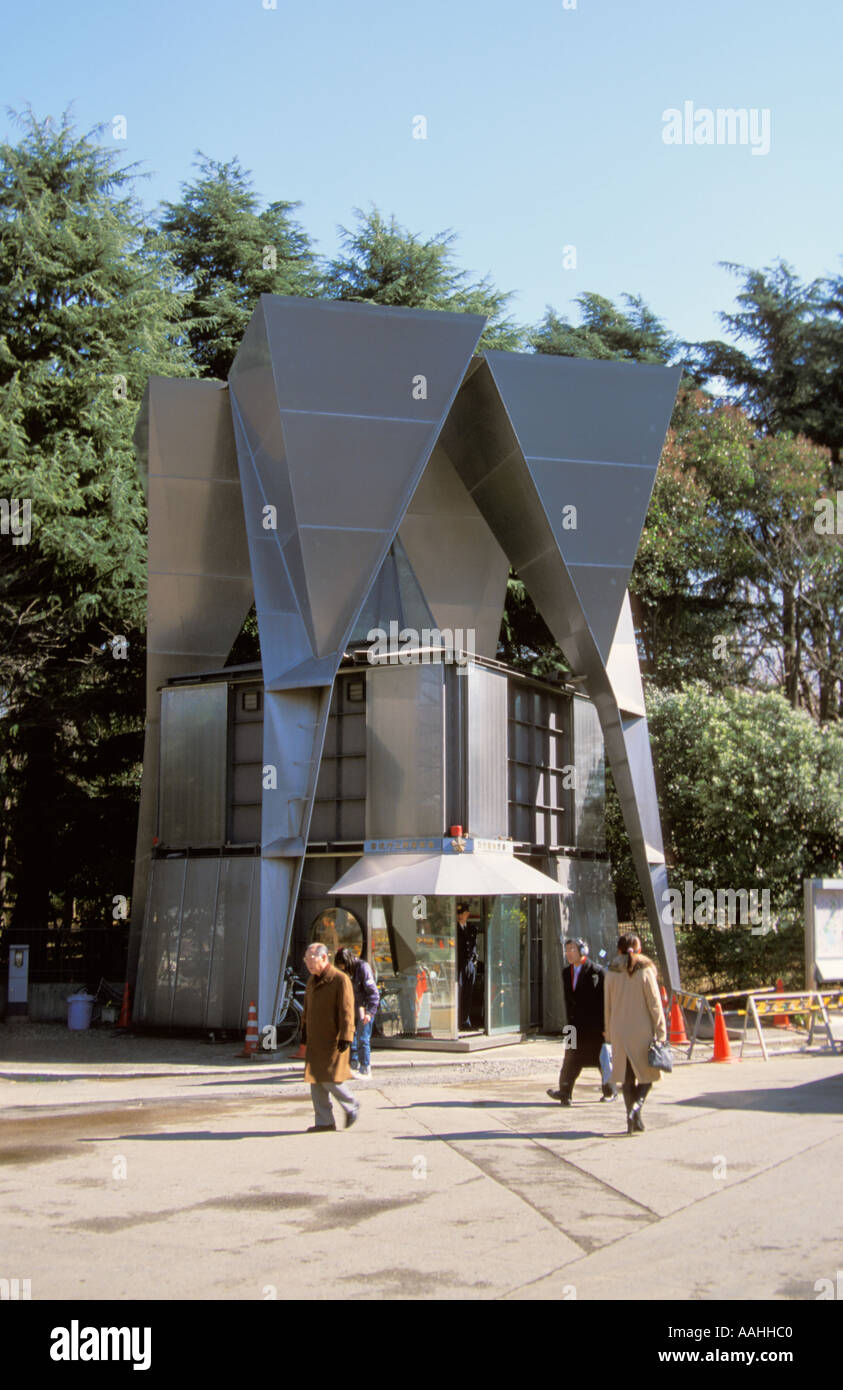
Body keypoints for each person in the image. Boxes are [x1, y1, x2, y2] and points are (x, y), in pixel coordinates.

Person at [604, 932, 667, 1134]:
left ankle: (631, 1118)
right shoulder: (646, 971)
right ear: (639, 949)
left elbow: (607, 1006)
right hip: (642, 1031)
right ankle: (637, 1108)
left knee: (627, 1078)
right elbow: (655, 1004)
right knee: (648, 1076)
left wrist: (608, 1031)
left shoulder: (611, 972)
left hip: (619, 1030)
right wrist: (661, 1031)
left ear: (619, 950)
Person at [547, 938, 616, 1106]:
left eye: (572, 949)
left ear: (582, 951)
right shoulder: (566, 973)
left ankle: (610, 1091)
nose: (569, 953)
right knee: (570, 1058)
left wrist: (607, 1027)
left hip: (594, 1025)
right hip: (572, 1025)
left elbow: (607, 1001)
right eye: (567, 949)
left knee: (602, 1060)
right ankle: (565, 1092)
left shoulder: (597, 972)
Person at [301, 942, 359, 1131]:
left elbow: (347, 1010)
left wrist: (346, 1036)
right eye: (306, 960)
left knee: (328, 1078)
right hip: (315, 1039)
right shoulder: (312, 980)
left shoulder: (340, 979)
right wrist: (303, 1032)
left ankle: (351, 1104)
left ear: (324, 958)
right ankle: (324, 1121)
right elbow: (307, 1009)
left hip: (333, 1040)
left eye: (311, 959)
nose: (308, 964)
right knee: (315, 1080)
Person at [335, 946, 380, 1077]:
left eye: (342, 965)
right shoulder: (349, 970)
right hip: (352, 1007)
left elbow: (373, 993)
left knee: (362, 1038)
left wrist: (369, 1012)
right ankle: (353, 1064)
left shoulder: (362, 967)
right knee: (351, 1037)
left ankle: (365, 1067)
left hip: (363, 1008)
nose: (341, 968)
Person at [456, 902, 478, 1030]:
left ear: (467, 914)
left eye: (463, 913)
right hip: (459, 964)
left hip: (469, 964)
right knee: (459, 991)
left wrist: (474, 959)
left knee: (468, 993)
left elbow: (473, 946)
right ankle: (458, 1020)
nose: (460, 916)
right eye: (459, 914)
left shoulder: (471, 929)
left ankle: (465, 1020)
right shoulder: (455, 929)